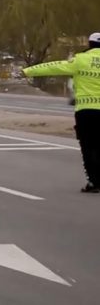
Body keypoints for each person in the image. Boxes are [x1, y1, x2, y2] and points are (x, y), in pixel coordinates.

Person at [21, 32, 100, 193]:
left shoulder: (80, 60)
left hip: (86, 111)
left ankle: (94, 182)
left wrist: (28, 71)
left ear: (90, 45)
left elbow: (53, 66)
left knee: (88, 146)